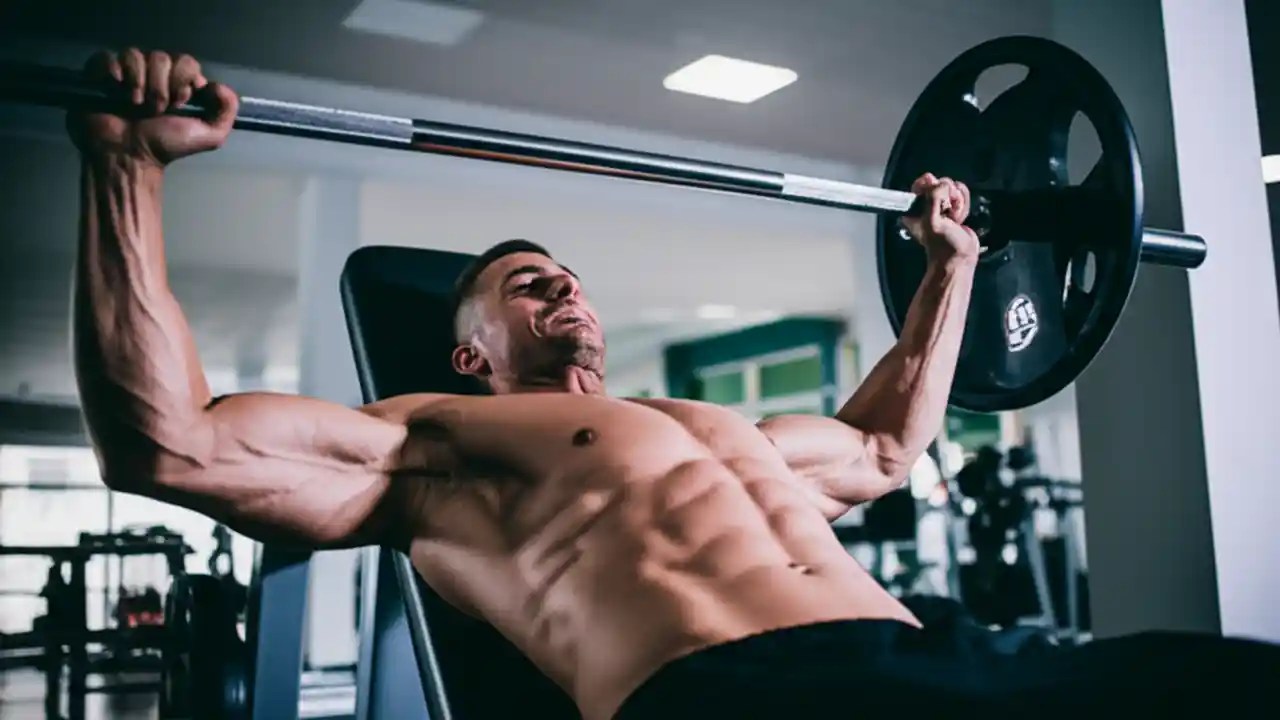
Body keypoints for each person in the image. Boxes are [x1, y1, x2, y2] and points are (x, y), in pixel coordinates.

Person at [67, 49, 1277, 720]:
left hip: (940, 656)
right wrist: (126, 171)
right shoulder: (436, 443)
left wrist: (952, 268)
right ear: (467, 352)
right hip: (746, 694)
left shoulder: (710, 426)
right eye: (529, 284)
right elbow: (171, 444)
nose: (564, 294)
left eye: (569, 278)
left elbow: (875, 454)